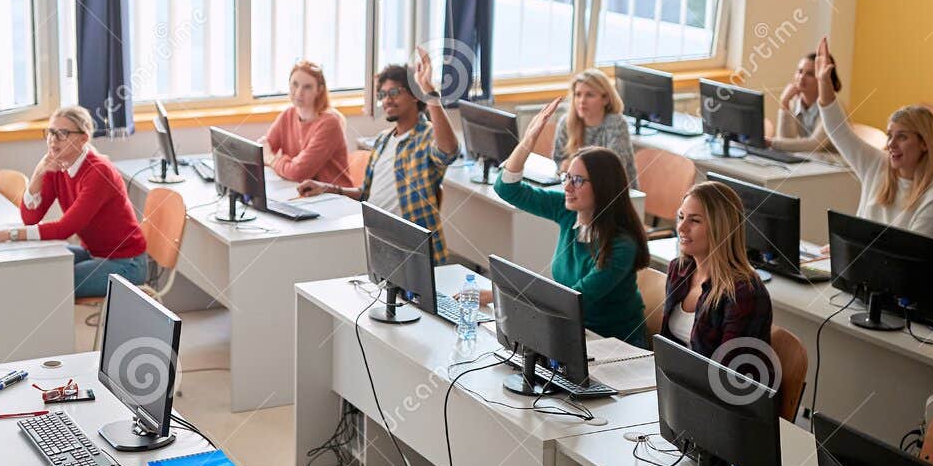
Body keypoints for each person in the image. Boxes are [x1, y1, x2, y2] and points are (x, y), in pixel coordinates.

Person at [494, 97, 650, 346]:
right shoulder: (568, 210)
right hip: (572, 332)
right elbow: (506, 188)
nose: (567, 186)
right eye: (567, 176)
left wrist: (507, 296)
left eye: (577, 180)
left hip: (615, 346)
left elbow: (575, 299)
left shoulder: (622, 245)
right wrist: (528, 140)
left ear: (602, 188)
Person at [0, 105, 149, 296]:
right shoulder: (57, 166)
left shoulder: (98, 172)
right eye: (51, 132)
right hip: (93, 253)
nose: (53, 140)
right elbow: (30, 218)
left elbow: (64, 229)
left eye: (62, 133)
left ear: (83, 138)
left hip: (126, 262)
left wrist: (5, 234)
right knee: (36, 270)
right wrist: (39, 173)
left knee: (52, 283)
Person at [298, 48, 460, 262]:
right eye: (383, 95)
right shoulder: (383, 140)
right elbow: (367, 194)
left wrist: (429, 92)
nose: (387, 100)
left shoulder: (427, 136)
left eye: (394, 93)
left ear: (414, 95)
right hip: (374, 237)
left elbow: (449, 152)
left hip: (409, 249)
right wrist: (327, 188)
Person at [814, 37, 933, 238]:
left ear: (924, 143)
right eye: (890, 136)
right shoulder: (877, 165)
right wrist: (823, 82)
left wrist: (850, 247)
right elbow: (839, 131)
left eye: (902, 137)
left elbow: (910, 258)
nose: (891, 144)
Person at [662, 181, 774, 379]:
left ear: (720, 228)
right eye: (681, 217)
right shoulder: (679, 270)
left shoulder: (744, 292)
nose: (682, 227)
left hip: (723, 400)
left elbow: (729, 375)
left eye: (695, 221)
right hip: (682, 384)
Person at [265, 59, 352, 186]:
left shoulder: (329, 123)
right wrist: (283, 163)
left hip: (332, 198)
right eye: (295, 84)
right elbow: (262, 150)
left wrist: (272, 159)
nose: (299, 92)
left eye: (307, 87)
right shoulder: (288, 115)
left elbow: (298, 173)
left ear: (319, 90)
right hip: (301, 193)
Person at [550, 70, 638, 189]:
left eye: (589, 95)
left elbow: (614, 168)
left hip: (614, 195)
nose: (582, 101)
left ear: (605, 99)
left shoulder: (616, 123)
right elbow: (559, 160)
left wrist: (575, 168)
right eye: (578, 94)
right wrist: (567, 168)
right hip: (578, 190)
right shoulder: (566, 122)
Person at [771, 50, 839, 154]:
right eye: (800, 71)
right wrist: (784, 103)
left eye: (810, 74)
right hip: (809, 164)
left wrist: (772, 143)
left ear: (823, 79)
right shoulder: (795, 102)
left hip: (834, 166)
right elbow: (787, 142)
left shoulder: (833, 108)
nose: (801, 77)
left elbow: (814, 145)